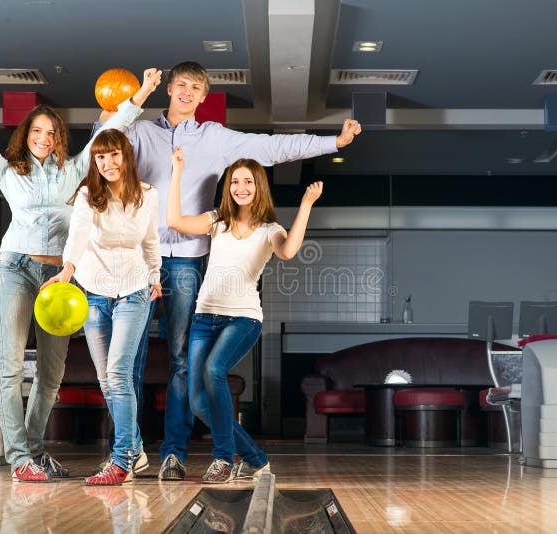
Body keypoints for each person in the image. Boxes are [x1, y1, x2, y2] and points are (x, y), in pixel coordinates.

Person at [96, 61, 361, 480]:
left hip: (186, 260)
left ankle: (174, 453)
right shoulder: (140, 130)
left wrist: (333, 142)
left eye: (195, 88)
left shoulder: (215, 138)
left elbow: (273, 149)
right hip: (136, 258)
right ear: (168, 88)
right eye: (180, 84)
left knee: (182, 362)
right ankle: (127, 451)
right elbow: (100, 147)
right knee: (126, 363)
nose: (186, 92)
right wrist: (133, 100)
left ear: (204, 97)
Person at [0, 50, 161, 482]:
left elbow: (111, 132)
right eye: (37, 130)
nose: (44, 137)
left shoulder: (76, 170)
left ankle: (35, 452)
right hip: (15, 269)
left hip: (60, 277)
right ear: (27, 134)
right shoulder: (6, 171)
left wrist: (144, 93)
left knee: (53, 373)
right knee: (11, 367)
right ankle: (20, 458)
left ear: (59, 138)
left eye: (52, 132)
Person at [166, 147, 322, 483]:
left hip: (243, 319)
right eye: (235, 181)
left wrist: (306, 206)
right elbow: (174, 221)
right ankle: (255, 459)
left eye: (248, 181)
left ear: (258, 186)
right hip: (204, 318)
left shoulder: (270, 229)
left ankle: (222, 459)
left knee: (214, 369)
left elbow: (289, 251)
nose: (241, 187)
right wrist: (178, 170)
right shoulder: (217, 221)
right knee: (197, 403)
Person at [41, 129, 161, 485]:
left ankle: (122, 460)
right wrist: (68, 268)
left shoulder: (148, 195)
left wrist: (156, 275)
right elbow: (77, 233)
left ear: (126, 156)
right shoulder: (87, 196)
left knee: (119, 374)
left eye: (113, 155)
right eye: (100, 157)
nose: (108, 163)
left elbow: (151, 238)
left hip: (134, 291)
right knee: (106, 380)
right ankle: (136, 450)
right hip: (93, 291)